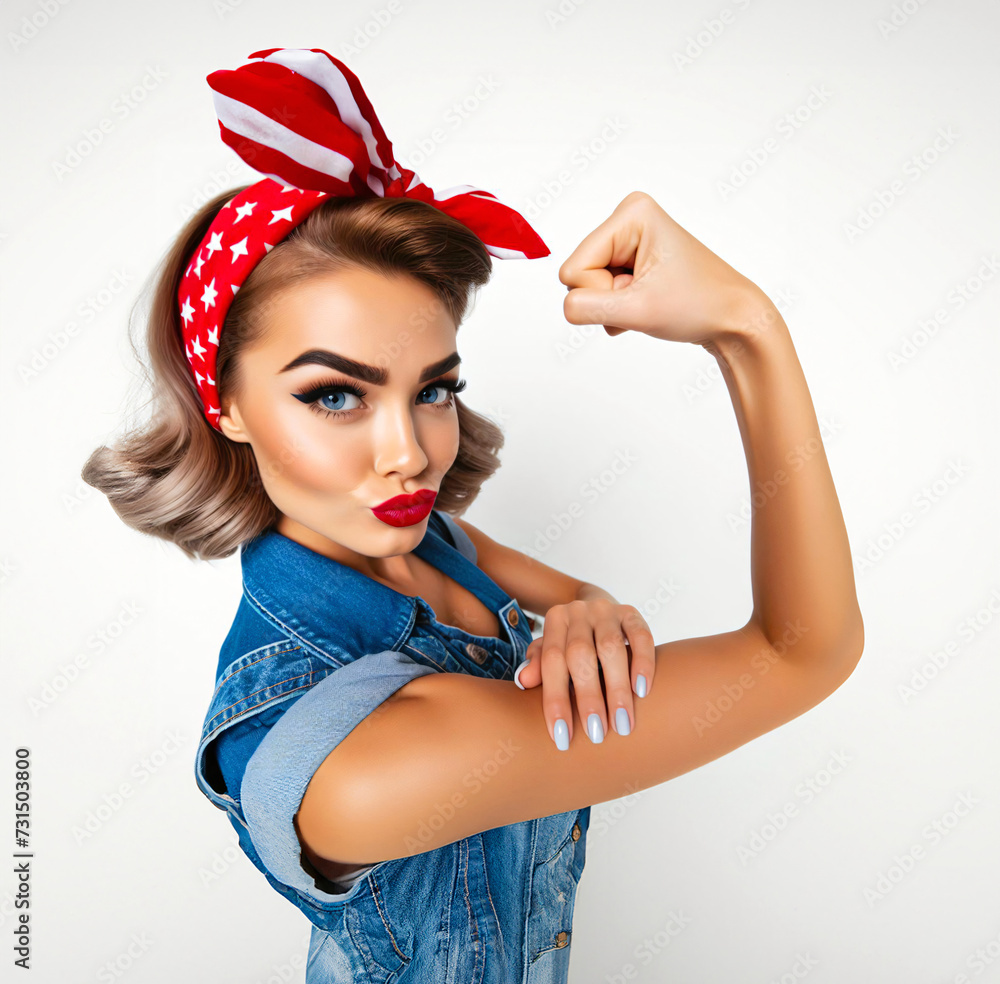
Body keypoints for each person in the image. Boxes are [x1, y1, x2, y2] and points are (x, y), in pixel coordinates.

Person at [81, 46, 864, 984]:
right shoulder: (351, 760)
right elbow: (800, 651)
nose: (409, 453)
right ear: (228, 405)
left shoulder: (425, 545)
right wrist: (747, 329)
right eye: (335, 395)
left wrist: (591, 604)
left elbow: (556, 586)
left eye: (434, 389)